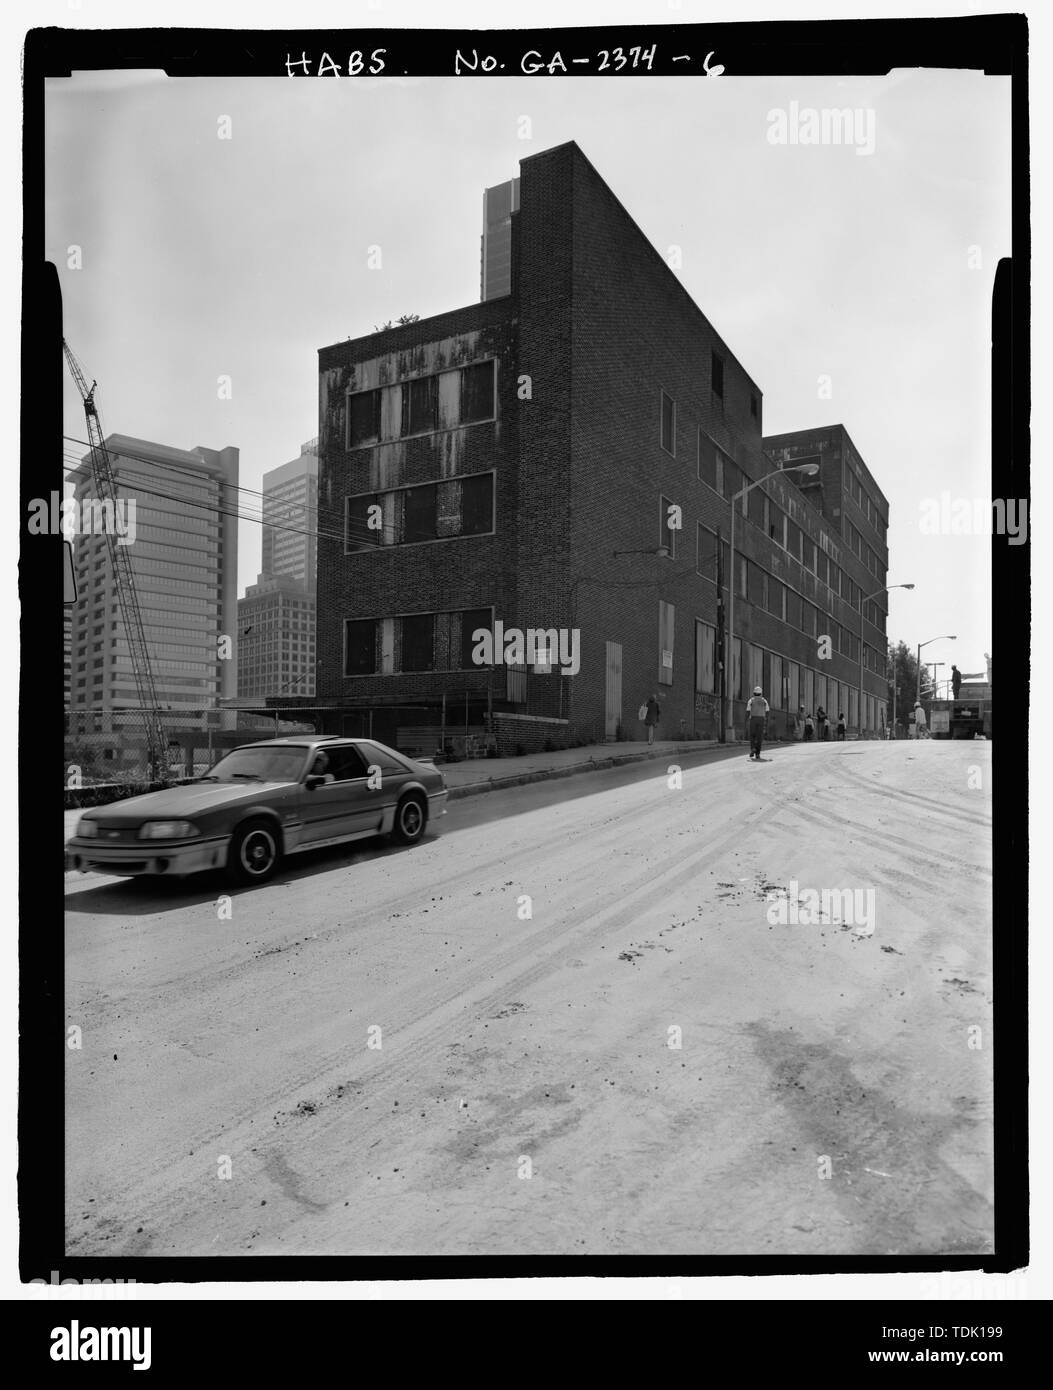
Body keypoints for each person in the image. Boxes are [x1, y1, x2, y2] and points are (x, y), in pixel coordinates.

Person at [746, 685, 769, 760]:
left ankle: (753, 748)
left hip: (753, 719)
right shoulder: (764, 701)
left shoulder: (751, 700)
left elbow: (748, 711)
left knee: (752, 735)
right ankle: (758, 754)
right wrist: (766, 720)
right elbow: (767, 711)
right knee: (759, 737)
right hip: (761, 719)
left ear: (754, 693)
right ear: (761, 693)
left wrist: (746, 720)